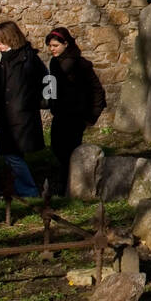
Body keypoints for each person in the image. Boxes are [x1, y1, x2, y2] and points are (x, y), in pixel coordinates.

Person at [44, 26, 104, 197]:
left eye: (55, 45)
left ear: (66, 44)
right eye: (50, 46)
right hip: (60, 113)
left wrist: (92, 115)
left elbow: (96, 89)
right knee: (57, 147)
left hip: (76, 115)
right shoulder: (54, 63)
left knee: (71, 151)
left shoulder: (80, 64)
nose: (52, 49)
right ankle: (66, 184)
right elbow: (52, 86)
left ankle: (72, 187)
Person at [0, 20, 46, 199]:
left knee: (11, 153)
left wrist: (33, 101)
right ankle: (19, 188)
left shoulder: (27, 58)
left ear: (9, 38)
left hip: (20, 115)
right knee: (11, 153)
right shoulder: (6, 59)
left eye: (0, 39)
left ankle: (28, 190)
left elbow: (46, 81)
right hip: (9, 114)